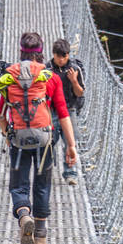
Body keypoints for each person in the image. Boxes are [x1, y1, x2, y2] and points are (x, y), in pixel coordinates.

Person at [0, 31, 77, 244]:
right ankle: (40, 239)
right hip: (45, 139)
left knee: (18, 185)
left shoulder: (9, 76)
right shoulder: (49, 77)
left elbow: (1, 115)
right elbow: (63, 112)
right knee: (42, 185)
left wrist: (7, 136)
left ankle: (24, 216)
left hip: (19, 140)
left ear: (21, 51)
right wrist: (71, 145)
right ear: (42, 53)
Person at [48, 38, 85, 186]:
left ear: (68, 55)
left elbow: (80, 93)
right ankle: (47, 171)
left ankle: (70, 174)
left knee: (70, 142)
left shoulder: (75, 69)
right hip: (52, 111)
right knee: (48, 141)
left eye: (65, 56)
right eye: (59, 56)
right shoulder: (47, 70)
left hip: (69, 110)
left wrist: (74, 81)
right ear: (53, 55)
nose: (62, 60)